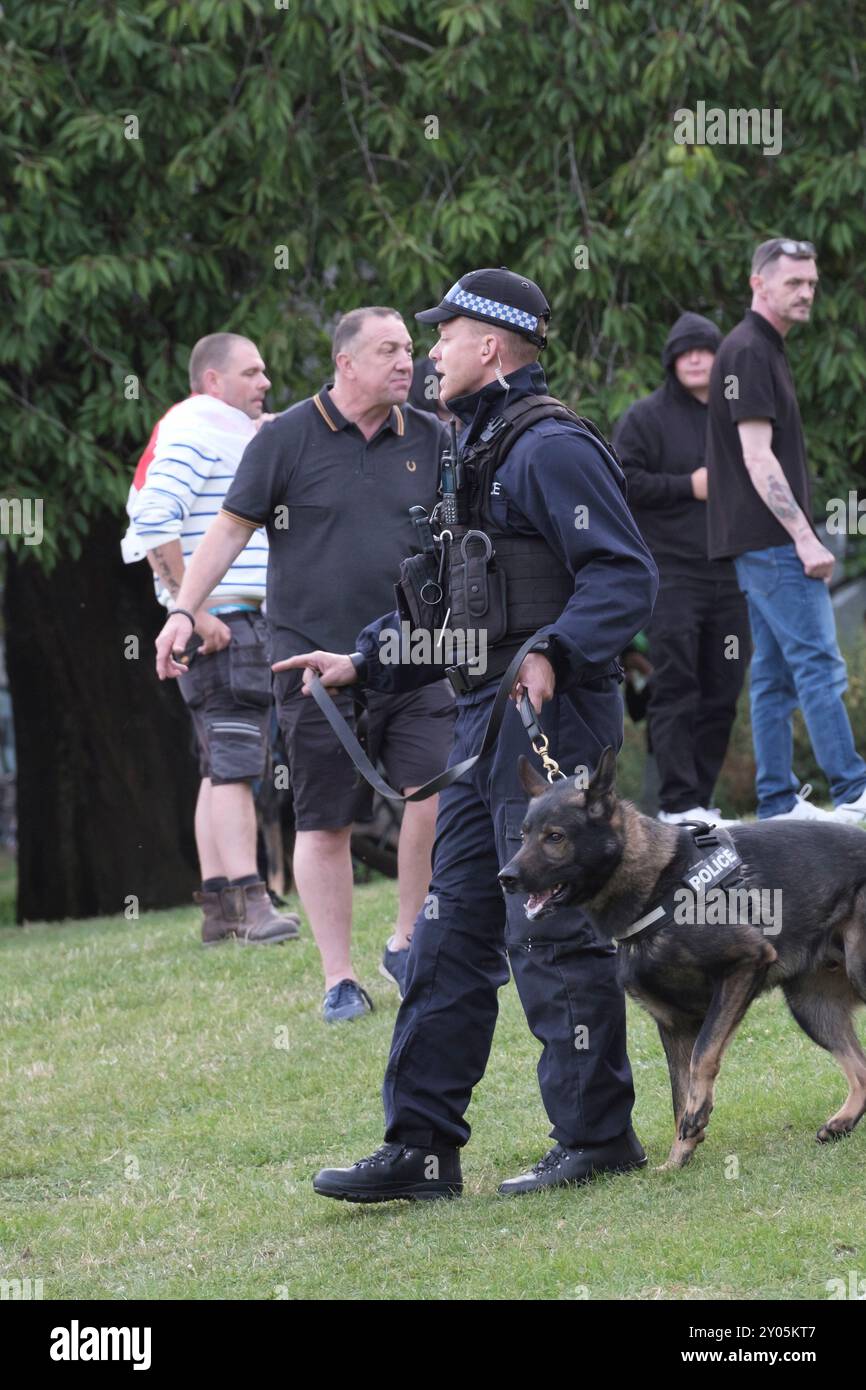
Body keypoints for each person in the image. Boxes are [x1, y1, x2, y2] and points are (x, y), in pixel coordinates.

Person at [276, 267, 658, 1199]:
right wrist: (362, 663)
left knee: (553, 930)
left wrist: (555, 651)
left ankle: (597, 1138)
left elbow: (625, 575)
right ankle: (421, 1149)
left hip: (548, 717)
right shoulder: (471, 447)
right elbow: (449, 599)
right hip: (483, 719)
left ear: (490, 344)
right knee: (445, 935)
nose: (429, 350)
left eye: (442, 334)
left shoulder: (550, 446)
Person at [154, 307, 454, 1022]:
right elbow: (228, 531)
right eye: (389, 350)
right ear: (345, 362)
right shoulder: (285, 437)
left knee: (436, 793)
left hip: (410, 655)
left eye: (410, 349)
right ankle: (339, 978)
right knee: (325, 821)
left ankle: (408, 939)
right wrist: (181, 611)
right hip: (308, 661)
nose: (407, 362)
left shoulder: (435, 439)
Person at [125, 333, 300, 945]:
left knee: (215, 766)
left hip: (223, 623)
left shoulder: (207, 427)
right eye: (252, 372)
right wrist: (189, 608)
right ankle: (253, 904)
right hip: (226, 625)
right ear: (213, 382)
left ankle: (220, 907)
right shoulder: (198, 427)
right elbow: (151, 519)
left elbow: (278, 423)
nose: (265, 383)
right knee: (233, 768)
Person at [706, 237, 866, 823]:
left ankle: (776, 801)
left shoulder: (758, 348)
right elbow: (757, 456)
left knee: (774, 677)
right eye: (794, 282)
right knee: (821, 666)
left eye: (812, 283)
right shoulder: (749, 350)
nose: (806, 292)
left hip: (758, 545)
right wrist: (804, 536)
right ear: (759, 284)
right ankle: (852, 793)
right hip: (774, 544)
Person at [614, 312, 749, 824]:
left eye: (706, 350)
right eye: (685, 351)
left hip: (733, 573)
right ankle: (677, 805)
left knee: (723, 689)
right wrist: (686, 486)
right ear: (672, 361)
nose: (695, 358)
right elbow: (622, 482)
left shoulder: (736, 415)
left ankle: (702, 803)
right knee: (677, 686)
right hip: (670, 574)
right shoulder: (645, 417)